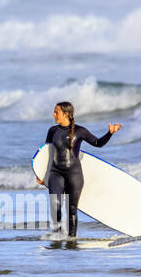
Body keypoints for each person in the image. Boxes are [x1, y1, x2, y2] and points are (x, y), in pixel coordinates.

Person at [37, 101, 122, 237]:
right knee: (55, 206)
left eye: (56, 112)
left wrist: (110, 133)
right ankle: (57, 237)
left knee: (71, 209)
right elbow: (47, 153)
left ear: (66, 114)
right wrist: (43, 176)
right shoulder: (52, 131)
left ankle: (72, 239)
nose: (54, 115)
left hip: (73, 174)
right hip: (55, 173)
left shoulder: (79, 131)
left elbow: (97, 143)